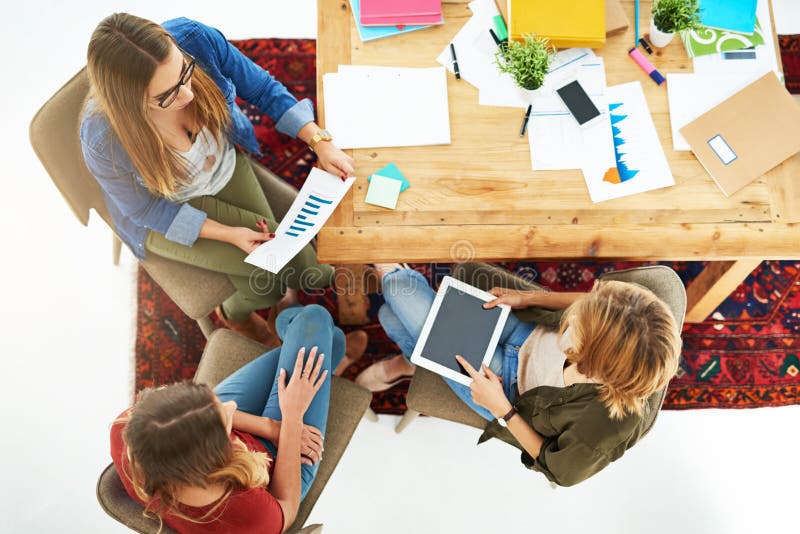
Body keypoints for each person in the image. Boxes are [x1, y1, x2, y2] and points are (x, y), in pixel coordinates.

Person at [81, 13, 355, 345]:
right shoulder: (101, 139)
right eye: (166, 96)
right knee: (268, 284)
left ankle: (269, 305)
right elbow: (147, 212)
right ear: (129, 103)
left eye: (185, 72)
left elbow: (263, 88)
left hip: (223, 167)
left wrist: (319, 142)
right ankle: (236, 316)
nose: (188, 95)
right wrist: (228, 234)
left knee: (311, 270)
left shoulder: (195, 39)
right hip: (171, 206)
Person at [357, 264, 682, 486]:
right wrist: (531, 298)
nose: (570, 319)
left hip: (507, 389)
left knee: (399, 303)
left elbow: (559, 470)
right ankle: (411, 362)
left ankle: (390, 274)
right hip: (526, 330)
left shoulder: (610, 424)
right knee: (400, 318)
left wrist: (502, 409)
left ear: (597, 362)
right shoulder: (633, 315)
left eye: (577, 329)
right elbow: (594, 303)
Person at [110, 304, 363, 533]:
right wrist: (292, 419)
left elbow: (222, 408)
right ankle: (312, 342)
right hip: (275, 465)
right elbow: (287, 507)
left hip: (219, 436)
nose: (230, 406)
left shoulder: (130, 426)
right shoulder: (246, 516)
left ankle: (329, 354)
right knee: (315, 321)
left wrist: (271, 426)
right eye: (225, 424)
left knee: (319, 334)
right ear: (221, 455)